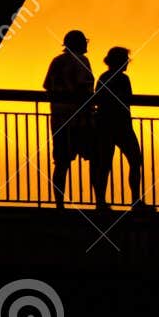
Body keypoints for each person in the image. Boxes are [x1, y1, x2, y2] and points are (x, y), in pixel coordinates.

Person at [90, 46, 151, 212]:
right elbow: (127, 99)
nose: (128, 63)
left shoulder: (103, 77)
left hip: (105, 125)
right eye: (126, 60)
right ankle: (135, 200)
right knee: (135, 160)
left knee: (104, 164)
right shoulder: (123, 79)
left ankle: (100, 202)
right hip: (121, 126)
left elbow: (98, 100)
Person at [43, 30, 94, 208]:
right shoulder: (81, 61)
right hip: (79, 118)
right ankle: (99, 201)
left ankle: (59, 203)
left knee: (61, 162)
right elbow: (83, 88)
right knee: (95, 156)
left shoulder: (57, 61)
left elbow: (46, 85)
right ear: (80, 44)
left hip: (58, 117)